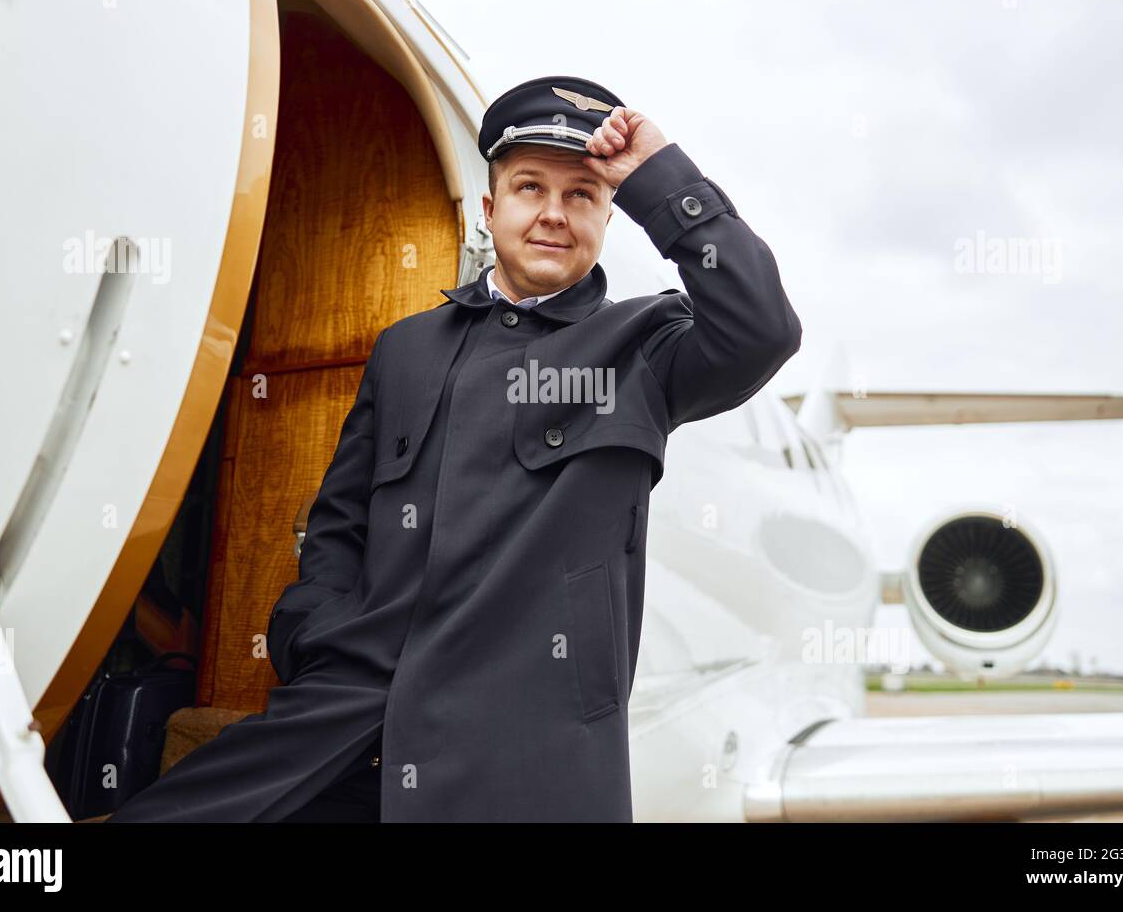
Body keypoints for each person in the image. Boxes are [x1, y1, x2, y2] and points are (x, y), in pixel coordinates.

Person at [108, 75, 801, 822]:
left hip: (524, 763)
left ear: (608, 215)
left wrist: (660, 178)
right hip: (339, 731)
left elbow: (762, 328)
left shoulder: (644, 350)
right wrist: (312, 634)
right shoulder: (405, 349)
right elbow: (338, 523)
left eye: (581, 196)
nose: (553, 215)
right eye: (531, 188)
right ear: (490, 207)